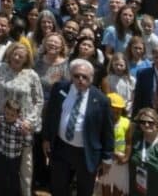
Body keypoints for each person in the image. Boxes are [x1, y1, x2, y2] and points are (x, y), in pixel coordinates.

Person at [43, 58, 113, 196]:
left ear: (92, 78)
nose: (80, 79)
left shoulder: (101, 100)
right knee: (58, 187)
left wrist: (107, 157)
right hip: (61, 147)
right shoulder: (60, 88)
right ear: (71, 76)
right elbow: (50, 115)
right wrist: (46, 138)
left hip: (86, 152)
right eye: (76, 76)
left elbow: (107, 131)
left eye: (85, 77)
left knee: (85, 190)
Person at [0, 40, 46, 196]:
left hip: (23, 128)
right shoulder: (0, 69)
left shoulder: (32, 75)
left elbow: (39, 100)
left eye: (21, 56)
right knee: (3, 163)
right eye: (15, 54)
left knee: (24, 167)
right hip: (2, 124)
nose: (17, 58)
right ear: (10, 54)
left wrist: (29, 122)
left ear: (26, 58)